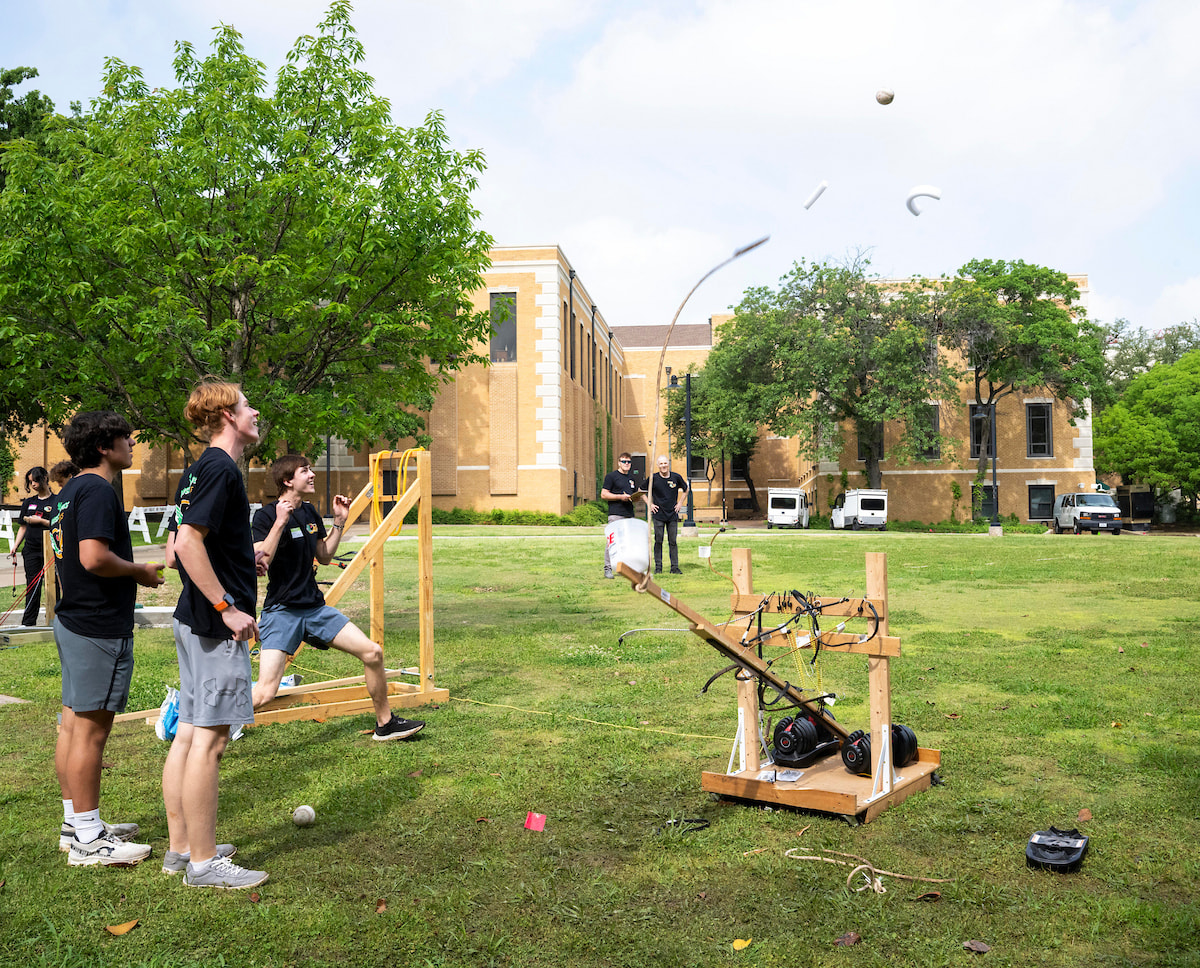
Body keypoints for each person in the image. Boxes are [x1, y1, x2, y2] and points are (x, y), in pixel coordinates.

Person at [161, 380, 267, 890]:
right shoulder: (221, 467)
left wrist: (247, 557)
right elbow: (185, 544)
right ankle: (205, 864)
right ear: (226, 415)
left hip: (192, 619)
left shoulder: (202, 467)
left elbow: (186, 539)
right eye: (246, 405)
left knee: (188, 733)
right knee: (210, 739)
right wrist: (226, 607)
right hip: (211, 625)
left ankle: (183, 849)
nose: (254, 411)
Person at [51, 412, 164, 866]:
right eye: (126, 438)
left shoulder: (70, 491)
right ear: (104, 446)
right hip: (96, 625)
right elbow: (94, 557)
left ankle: (75, 823)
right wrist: (140, 571)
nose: (132, 443)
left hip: (73, 619)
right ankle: (89, 839)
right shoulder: (98, 489)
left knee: (72, 726)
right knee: (91, 734)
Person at [250, 454, 424, 741]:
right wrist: (280, 522)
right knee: (266, 692)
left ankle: (386, 724)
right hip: (282, 612)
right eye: (305, 470)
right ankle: (205, 725)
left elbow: (325, 555)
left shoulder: (309, 513)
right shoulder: (267, 515)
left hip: (315, 608)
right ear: (287, 480)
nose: (312, 474)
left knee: (373, 652)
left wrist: (339, 523)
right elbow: (261, 560)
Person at [9, 466, 56, 626]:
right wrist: (15, 546)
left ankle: (58, 621)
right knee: (32, 585)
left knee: (54, 584)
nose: (33, 485)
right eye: (30, 482)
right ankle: (28, 622)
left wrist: (42, 522)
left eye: (36, 480)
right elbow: (23, 526)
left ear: (45, 478)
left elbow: (59, 525)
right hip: (31, 550)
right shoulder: (29, 502)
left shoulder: (56, 501)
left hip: (51, 551)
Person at [599, 452, 643, 579]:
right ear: (619, 463)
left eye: (628, 462)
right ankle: (607, 569)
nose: (626, 464)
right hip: (615, 514)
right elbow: (604, 494)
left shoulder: (631, 479)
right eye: (624, 461)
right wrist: (620, 497)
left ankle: (624, 568)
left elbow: (633, 496)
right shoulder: (611, 477)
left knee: (627, 543)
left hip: (629, 514)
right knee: (611, 542)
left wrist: (635, 498)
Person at [649, 456, 688, 575]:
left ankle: (674, 567)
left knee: (673, 541)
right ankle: (658, 567)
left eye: (665, 463)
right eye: (661, 463)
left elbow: (686, 489)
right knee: (658, 541)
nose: (663, 465)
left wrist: (680, 503)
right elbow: (641, 491)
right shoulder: (653, 478)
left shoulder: (676, 477)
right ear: (658, 465)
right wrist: (650, 504)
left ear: (668, 464)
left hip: (672, 515)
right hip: (658, 515)